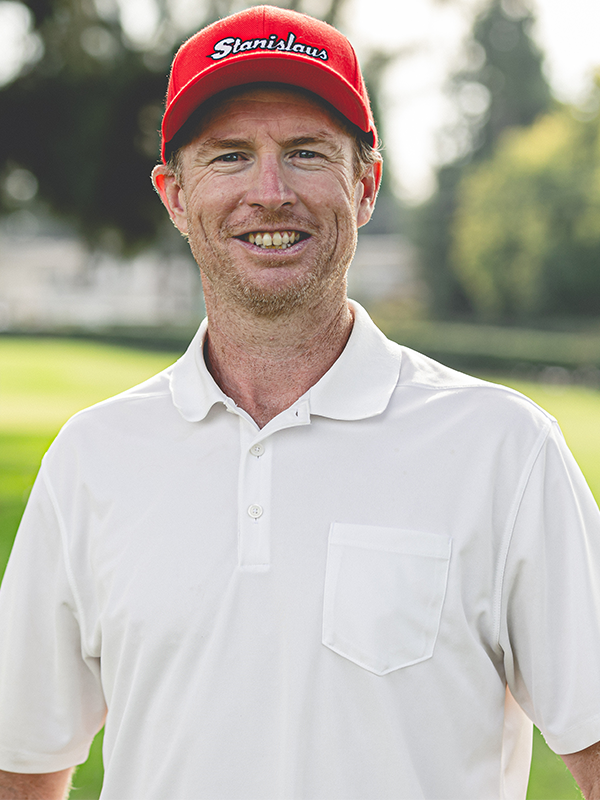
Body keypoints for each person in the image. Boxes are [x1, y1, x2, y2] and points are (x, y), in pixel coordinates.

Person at [1, 5, 600, 799]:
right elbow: (25, 763)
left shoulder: (505, 450)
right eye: (230, 157)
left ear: (366, 184)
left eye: (307, 153)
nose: (270, 192)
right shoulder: (92, 460)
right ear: (175, 195)